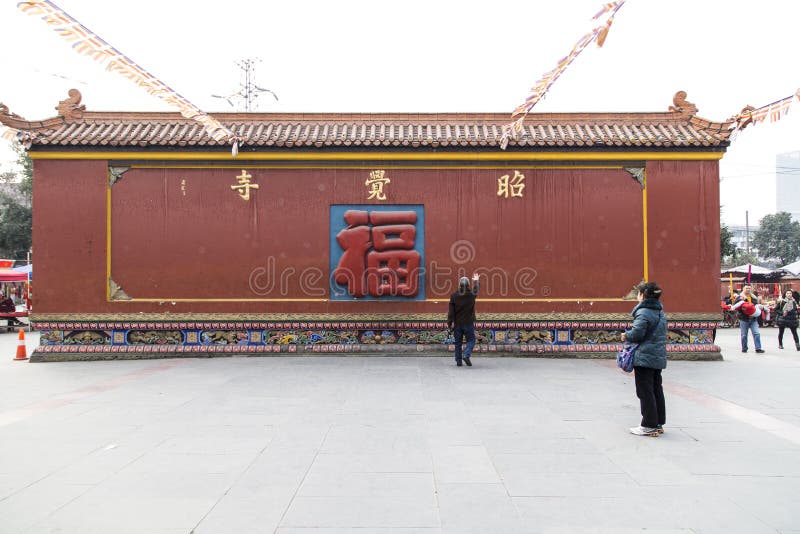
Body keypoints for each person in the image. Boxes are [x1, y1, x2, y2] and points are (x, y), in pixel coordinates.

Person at [621, 282, 668, 437]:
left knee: (645, 391)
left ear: (643, 295)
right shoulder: (660, 312)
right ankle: (658, 422)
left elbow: (637, 334)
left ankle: (648, 425)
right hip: (657, 355)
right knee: (656, 389)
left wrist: (626, 335)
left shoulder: (644, 312)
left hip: (645, 357)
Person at [447, 273, 479, 367]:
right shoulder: (471, 295)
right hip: (468, 322)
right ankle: (466, 354)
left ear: (459, 285)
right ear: (468, 285)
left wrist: (450, 323)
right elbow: (476, 289)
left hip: (457, 323)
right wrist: (476, 280)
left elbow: (451, 312)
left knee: (458, 343)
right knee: (471, 340)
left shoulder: (454, 296)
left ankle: (458, 361)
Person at [731, 285, 764, 353]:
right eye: (746, 288)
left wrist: (759, 308)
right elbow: (736, 306)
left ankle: (758, 348)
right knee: (744, 335)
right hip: (744, 318)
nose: (748, 289)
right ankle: (744, 348)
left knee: (756, 333)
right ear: (743, 289)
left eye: (749, 288)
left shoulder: (754, 297)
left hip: (753, 318)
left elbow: (756, 306)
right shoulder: (740, 297)